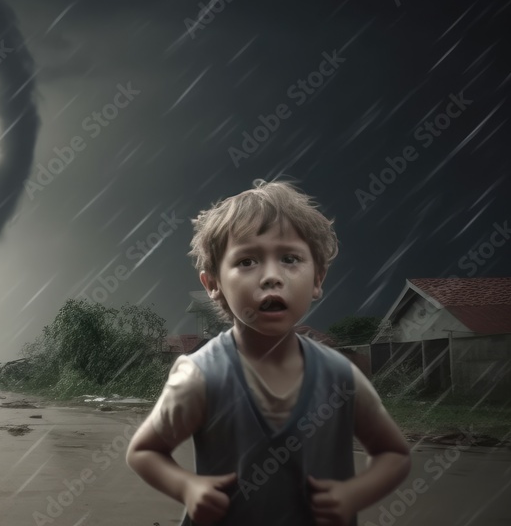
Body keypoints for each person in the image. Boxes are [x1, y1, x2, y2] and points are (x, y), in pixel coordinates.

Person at [126, 179, 410, 525]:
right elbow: (144, 450)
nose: (272, 276)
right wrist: (188, 487)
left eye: (290, 258)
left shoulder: (340, 375)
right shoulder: (199, 375)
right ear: (213, 284)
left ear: (318, 278)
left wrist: (353, 494)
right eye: (247, 262)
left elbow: (394, 453)